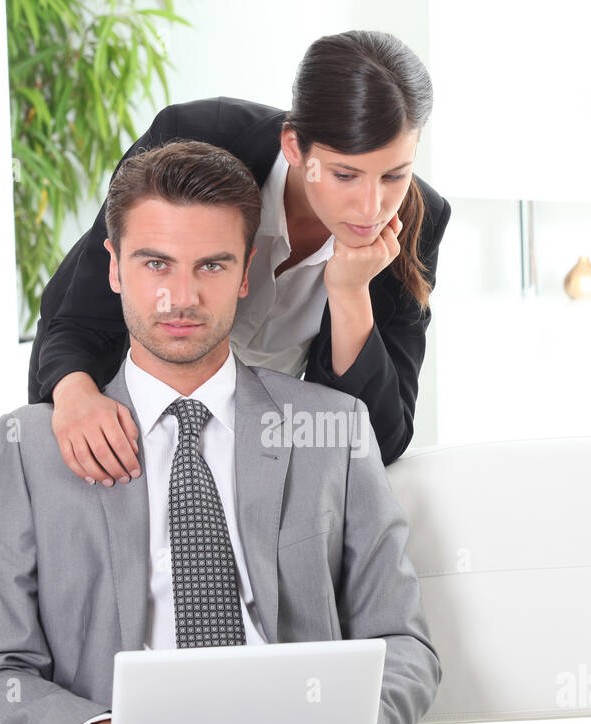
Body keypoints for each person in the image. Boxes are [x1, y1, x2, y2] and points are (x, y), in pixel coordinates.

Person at [0, 139, 493, 724]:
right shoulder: (32, 449)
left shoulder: (332, 428)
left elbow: (402, 641)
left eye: (211, 266)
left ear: (246, 274)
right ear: (114, 268)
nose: (181, 297)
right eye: (156, 264)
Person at [27, 30, 451, 482]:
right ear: (294, 146)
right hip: (118, 414)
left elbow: (378, 441)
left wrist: (350, 293)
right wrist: (74, 394)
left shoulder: (418, 221)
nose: (370, 208)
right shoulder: (192, 139)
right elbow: (82, 313)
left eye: (394, 176)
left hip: (262, 449)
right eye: (345, 175)